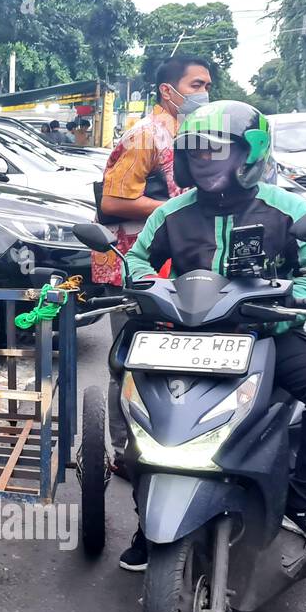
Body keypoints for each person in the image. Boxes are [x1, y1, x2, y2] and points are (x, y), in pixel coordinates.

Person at [123, 102, 306, 566]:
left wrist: (282, 310)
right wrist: (151, 289)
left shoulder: (288, 208)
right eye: (194, 153)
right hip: (188, 336)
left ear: (248, 155)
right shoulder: (171, 213)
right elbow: (137, 262)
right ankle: (149, 515)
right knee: (139, 406)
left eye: (216, 151)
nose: (204, 161)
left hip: (267, 333)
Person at [94, 54, 213, 528]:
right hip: (134, 268)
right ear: (169, 90)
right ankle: (127, 453)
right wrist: (181, 208)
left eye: (208, 83)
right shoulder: (147, 134)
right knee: (133, 364)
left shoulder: (196, 136)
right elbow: (112, 201)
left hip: (183, 272)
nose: (205, 90)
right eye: (197, 83)